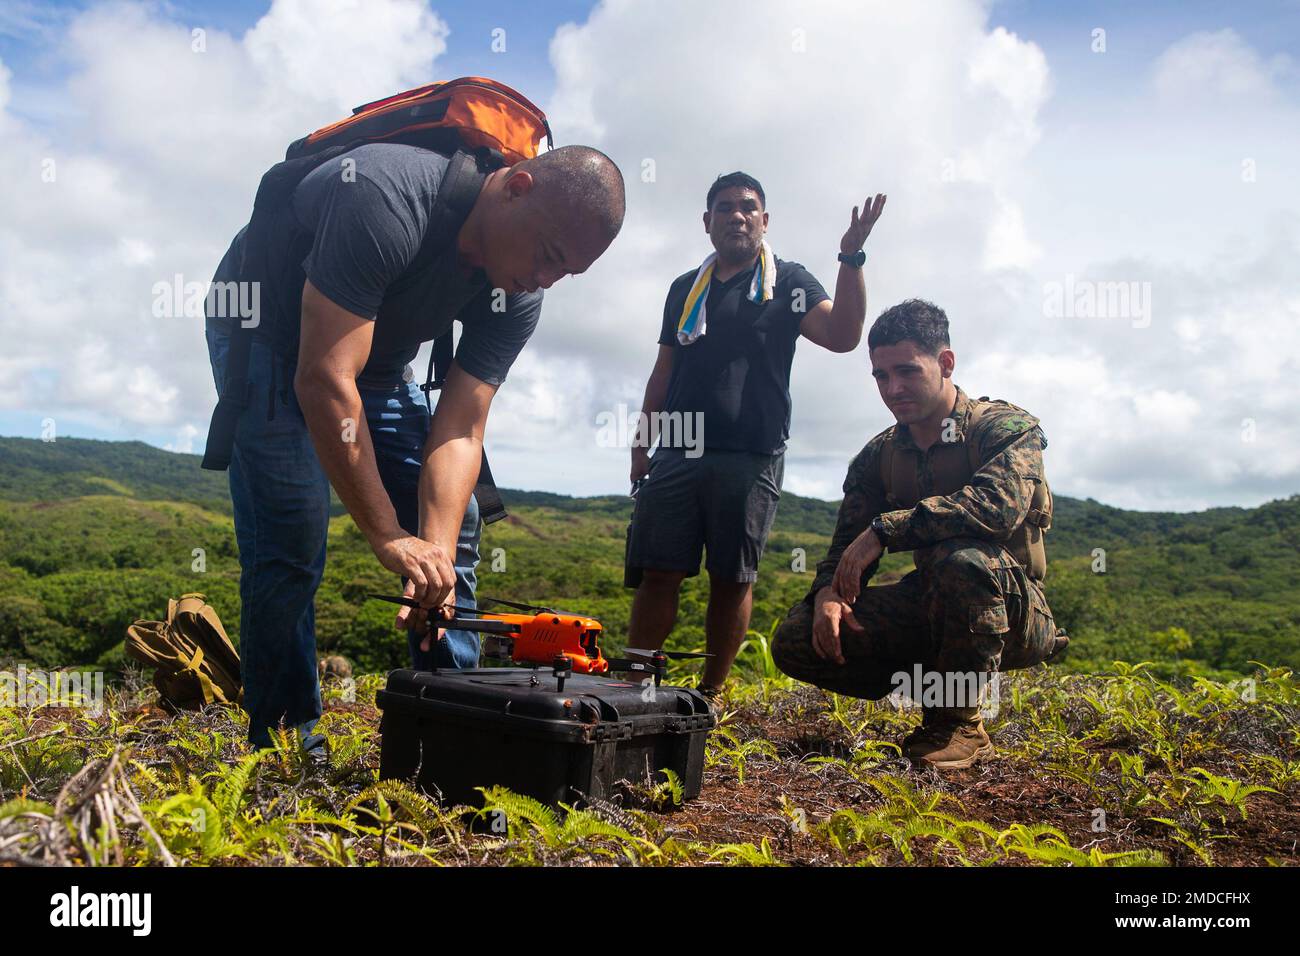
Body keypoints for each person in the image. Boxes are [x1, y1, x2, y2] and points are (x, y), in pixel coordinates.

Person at [204, 142, 625, 754]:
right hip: (267, 336)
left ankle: (453, 724)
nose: (544, 279)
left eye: (566, 273)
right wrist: (386, 533)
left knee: (458, 533)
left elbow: (460, 429)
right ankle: (286, 741)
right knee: (291, 535)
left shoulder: (519, 295)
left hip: (373, 362)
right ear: (517, 187)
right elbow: (322, 378)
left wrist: (434, 559)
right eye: (548, 255)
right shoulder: (382, 195)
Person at [770, 299, 1068, 769]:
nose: (894, 388)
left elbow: (996, 508)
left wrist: (885, 531)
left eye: (907, 371)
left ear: (945, 363)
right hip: (932, 604)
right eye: (881, 376)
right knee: (795, 638)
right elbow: (844, 544)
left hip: (1012, 611)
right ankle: (937, 683)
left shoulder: (1005, 430)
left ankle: (958, 723)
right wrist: (829, 593)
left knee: (961, 559)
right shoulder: (881, 455)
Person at [624, 171, 885, 698]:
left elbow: (842, 336)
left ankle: (710, 694)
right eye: (724, 208)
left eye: (747, 207)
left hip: (752, 455)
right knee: (658, 572)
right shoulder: (684, 289)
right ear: (707, 223)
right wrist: (639, 443)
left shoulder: (788, 283)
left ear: (765, 221)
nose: (736, 215)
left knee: (733, 577)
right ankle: (635, 683)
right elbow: (663, 370)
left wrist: (851, 259)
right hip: (677, 447)